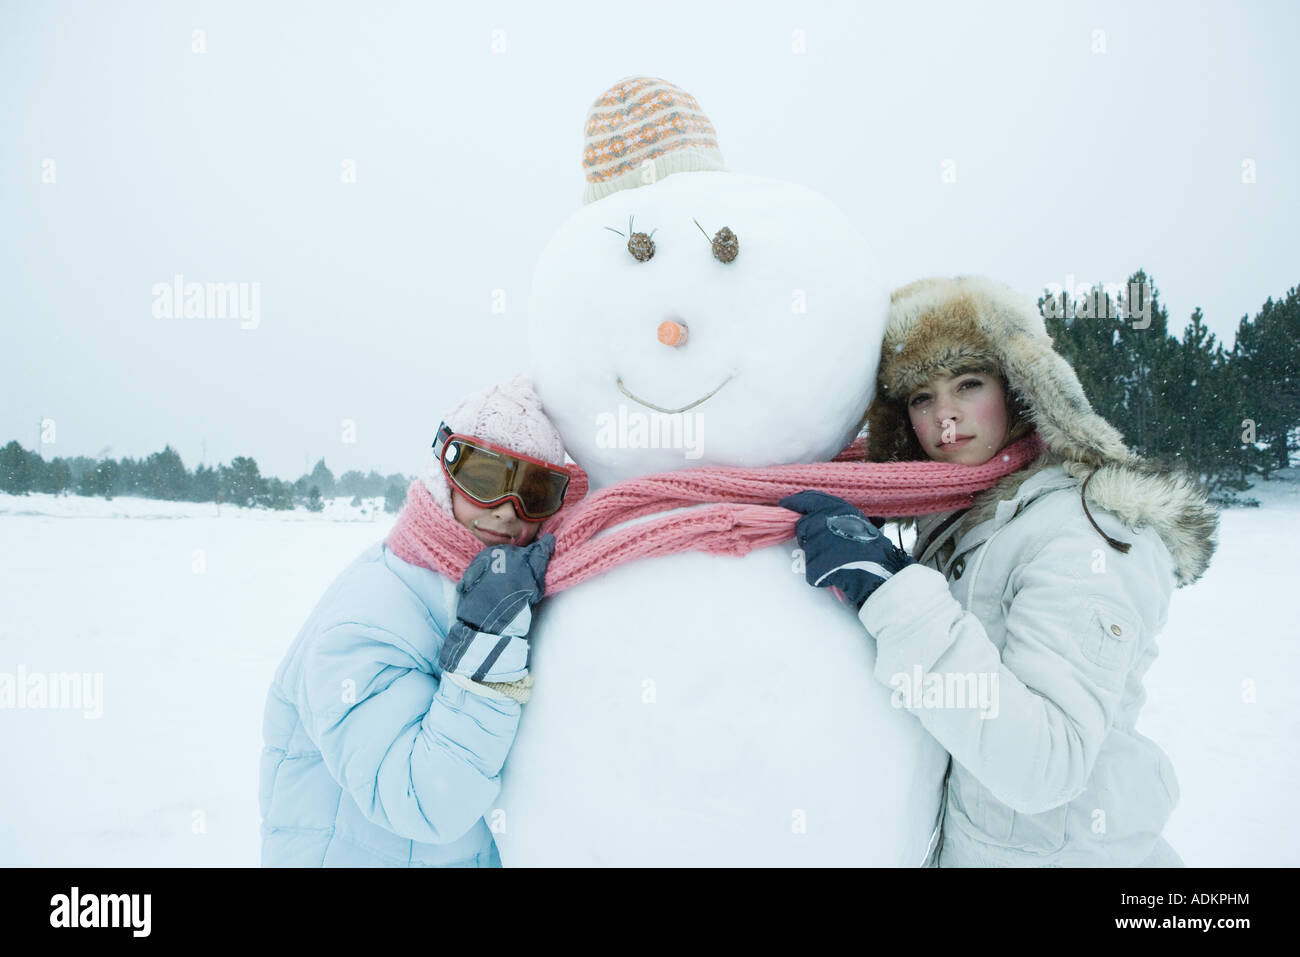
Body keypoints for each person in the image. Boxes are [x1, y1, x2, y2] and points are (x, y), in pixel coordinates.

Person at [782, 276, 1219, 867]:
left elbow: (1047, 765)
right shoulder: (961, 517)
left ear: (1018, 387)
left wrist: (891, 590)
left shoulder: (1086, 529)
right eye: (920, 397)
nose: (945, 418)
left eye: (968, 384)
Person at [259, 374, 573, 866]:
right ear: (442, 473)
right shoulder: (368, 618)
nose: (510, 512)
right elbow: (426, 803)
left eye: (535, 491)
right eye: (486, 479)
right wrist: (485, 643)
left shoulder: (467, 586)